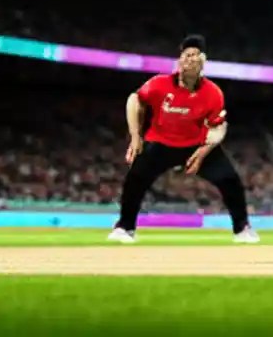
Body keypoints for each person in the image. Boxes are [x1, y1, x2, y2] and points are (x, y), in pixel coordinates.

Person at [107, 35, 258, 244]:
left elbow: (218, 126)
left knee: (230, 180)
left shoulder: (213, 93)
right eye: (186, 55)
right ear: (179, 60)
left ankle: (242, 228)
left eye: (195, 56)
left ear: (203, 62)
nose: (190, 60)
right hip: (159, 142)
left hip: (195, 145)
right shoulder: (159, 84)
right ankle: (125, 227)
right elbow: (135, 100)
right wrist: (135, 137)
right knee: (136, 178)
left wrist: (203, 152)